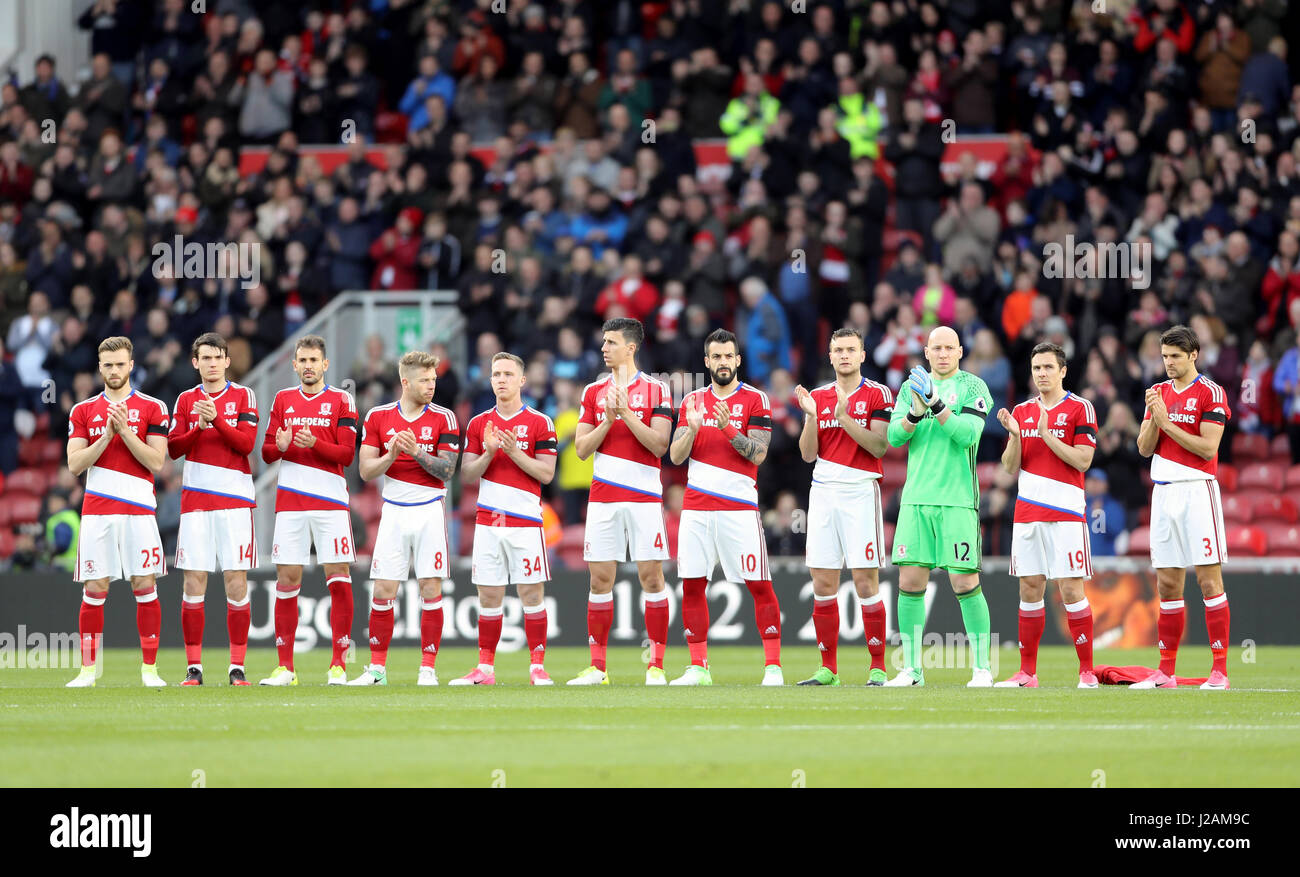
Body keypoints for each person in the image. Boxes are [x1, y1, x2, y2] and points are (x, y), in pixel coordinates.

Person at [667, 329, 781, 686]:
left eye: (728, 356)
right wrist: (691, 429)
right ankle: (699, 667)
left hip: (739, 508)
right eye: (715, 357)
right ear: (707, 362)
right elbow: (674, 456)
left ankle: (773, 667)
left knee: (759, 584)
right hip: (696, 507)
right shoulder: (692, 402)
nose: (722, 362)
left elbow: (759, 453)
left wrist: (728, 428)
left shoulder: (756, 400)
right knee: (692, 584)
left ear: (738, 360)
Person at [885, 325, 995, 687]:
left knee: (965, 582)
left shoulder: (974, 387)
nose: (944, 353)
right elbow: (893, 437)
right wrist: (915, 413)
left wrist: (936, 404)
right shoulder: (908, 387)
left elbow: (967, 435)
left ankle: (982, 668)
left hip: (957, 500)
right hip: (916, 498)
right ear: (927, 352)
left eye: (950, 347)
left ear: (961, 351)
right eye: (937, 348)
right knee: (910, 581)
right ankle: (912, 669)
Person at [569, 318, 673, 685]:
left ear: (631, 348)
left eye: (611, 342)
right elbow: (581, 449)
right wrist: (608, 420)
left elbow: (660, 446)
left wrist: (626, 414)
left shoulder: (657, 390)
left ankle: (656, 666)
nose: (603, 348)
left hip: (644, 498)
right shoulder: (593, 392)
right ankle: (598, 668)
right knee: (599, 581)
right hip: (603, 498)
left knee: (651, 577)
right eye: (603, 341)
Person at [348, 351, 460, 687]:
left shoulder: (445, 418)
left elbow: (448, 470)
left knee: (430, 588)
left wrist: (416, 452)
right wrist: (392, 453)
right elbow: (366, 470)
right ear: (405, 382)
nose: (431, 385)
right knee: (383, 589)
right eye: (425, 380)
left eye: (434, 379)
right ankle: (377, 670)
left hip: (429, 509)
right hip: (393, 510)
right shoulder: (378, 417)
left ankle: (427, 668)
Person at [65, 337, 170, 688]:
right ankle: (87, 671)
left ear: (131, 365)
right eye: (108, 365)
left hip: (139, 509)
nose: (114, 371)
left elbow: (157, 461)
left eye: (120, 364)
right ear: (100, 367)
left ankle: (150, 670)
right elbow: (74, 464)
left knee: (145, 584)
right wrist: (105, 437)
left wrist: (124, 431)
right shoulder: (82, 411)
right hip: (97, 510)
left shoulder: (153, 407)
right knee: (96, 586)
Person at [994, 342, 1099, 689]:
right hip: (1027, 513)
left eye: (1048, 367)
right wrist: (1015, 437)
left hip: (1067, 513)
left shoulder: (1080, 408)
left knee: (1070, 590)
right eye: (1037, 368)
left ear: (1063, 371)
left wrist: (1044, 435)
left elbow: (1083, 460)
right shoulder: (1021, 411)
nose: (1041, 374)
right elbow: (1010, 468)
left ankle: (1086, 671)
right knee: (1030, 588)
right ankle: (1027, 673)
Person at [792, 328, 894, 686]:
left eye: (852, 349)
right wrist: (810, 417)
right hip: (822, 491)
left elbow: (881, 447)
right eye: (839, 350)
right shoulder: (817, 397)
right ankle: (828, 669)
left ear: (863, 355)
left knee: (865, 582)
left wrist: (845, 418)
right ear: (831, 356)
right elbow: (807, 454)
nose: (845, 355)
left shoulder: (878, 393)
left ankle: (878, 667)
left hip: (859, 491)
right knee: (822, 582)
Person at [1134, 325, 1232, 690]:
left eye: (1175, 356)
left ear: (1194, 355)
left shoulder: (1211, 392)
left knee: (1209, 580)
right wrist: (1153, 420)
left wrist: (1166, 422)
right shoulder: (1158, 392)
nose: (1169, 363)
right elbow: (1144, 448)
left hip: (1197, 491)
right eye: (1164, 357)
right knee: (1167, 583)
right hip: (1163, 492)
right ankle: (1166, 672)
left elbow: (1208, 449)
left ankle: (1219, 671)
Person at [451, 353, 558, 686]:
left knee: (530, 593)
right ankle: (485, 670)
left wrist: (513, 452)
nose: (501, 379)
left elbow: (547, 473)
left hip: (525, 519)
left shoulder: (541, 422)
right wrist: (489, 453)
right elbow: (467, 475)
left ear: (522, 381)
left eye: (508, 374)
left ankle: (537, 668)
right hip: (488, 520)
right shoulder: (480, 423)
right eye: (496, 374)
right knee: (489, 596)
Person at [258, 335, 359, 686]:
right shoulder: (283, 399)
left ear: (325, 365)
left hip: (331, 503)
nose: (308, 366)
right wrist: (281, 446)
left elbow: (347, 454)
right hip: (290, 504)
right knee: (287, 580)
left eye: (314, 360)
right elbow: (267, 452)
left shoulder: (341, 400)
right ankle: (286, 668)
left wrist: (315, 442)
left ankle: (339, 665)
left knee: (339, 579)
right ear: (294, 364)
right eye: (302, 360)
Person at [167, 333, 259, 686]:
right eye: (204, 357)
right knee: (194, 581)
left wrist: (217, 420)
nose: (211, 363)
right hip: (196, 502)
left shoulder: (243, 395)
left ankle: (237, 667)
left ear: (227, 361)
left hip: (235, 502)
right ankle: (194, 668)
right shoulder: (186, 400)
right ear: (195, 362)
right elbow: (174, 449)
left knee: (236, 580)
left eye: (217, 357)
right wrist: (198, 426)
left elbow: (246, 444)